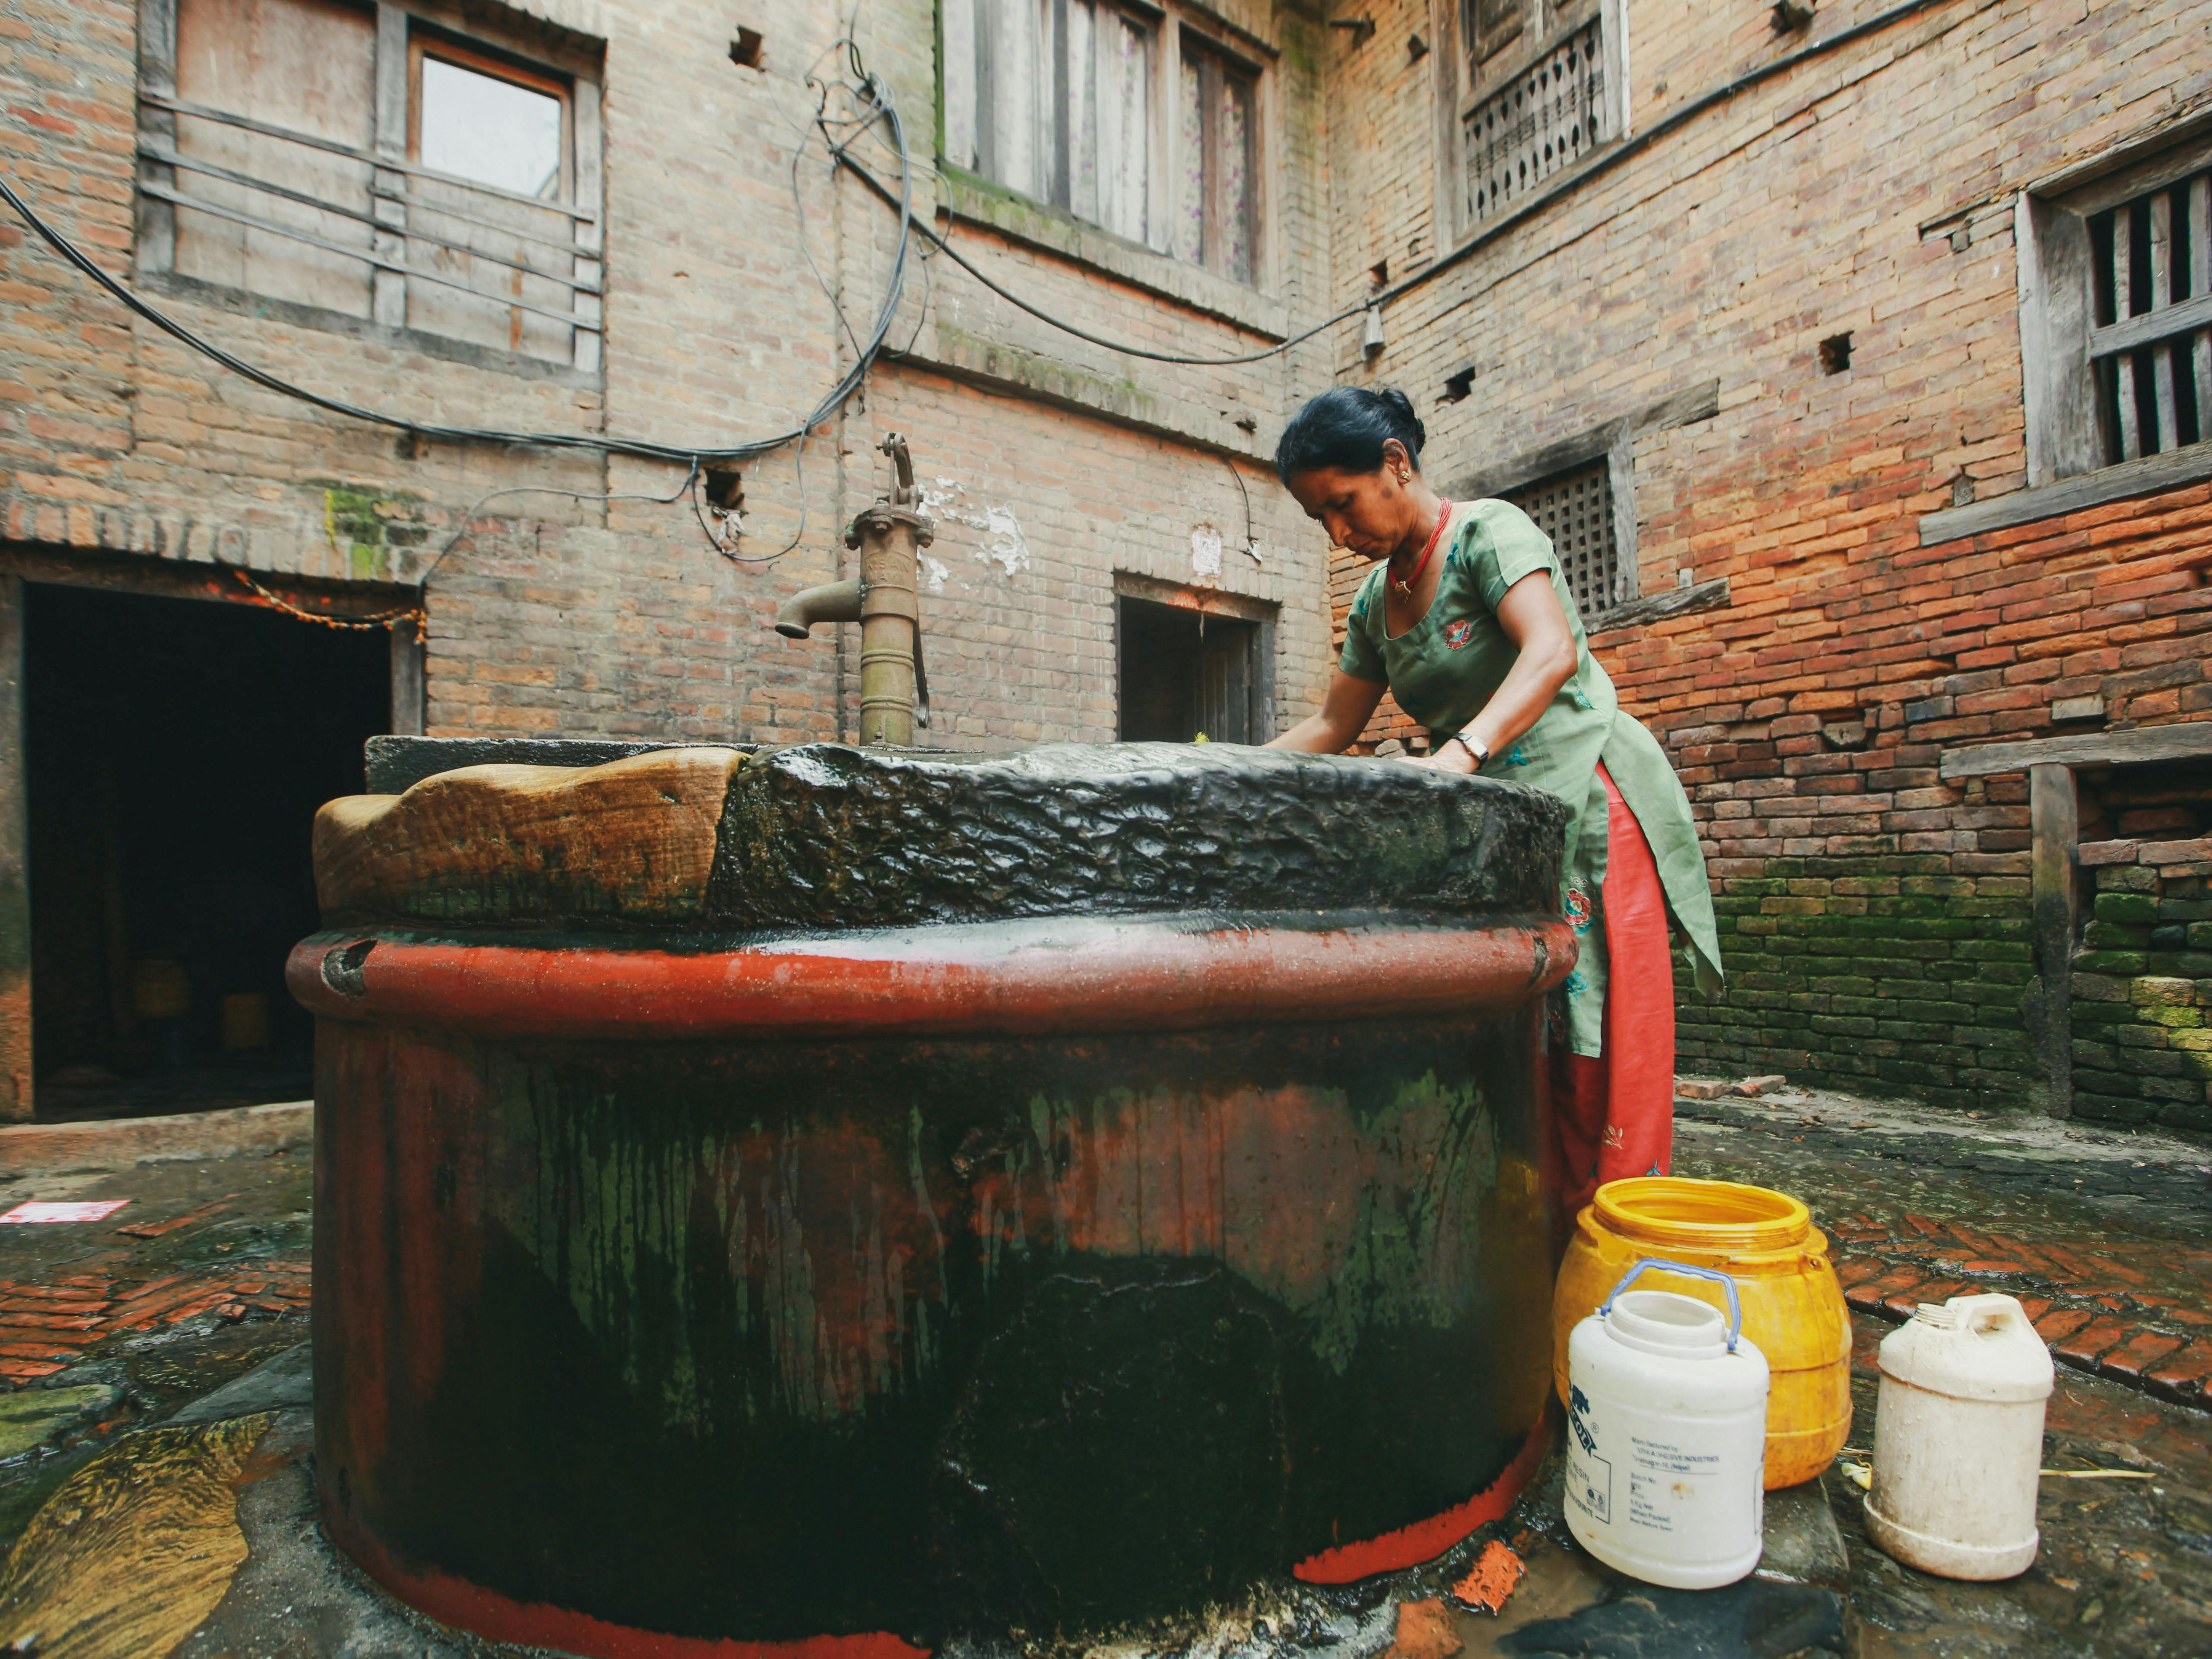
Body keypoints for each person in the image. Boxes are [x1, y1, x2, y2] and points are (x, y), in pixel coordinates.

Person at [1267, 386, 1722, 1219]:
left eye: (1343, 504)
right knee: (1524, 1025)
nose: (1338, 535)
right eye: (1318, 521)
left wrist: (1459, 755)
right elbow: (1335, 722)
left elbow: (1550, 651)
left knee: (1594, 1032)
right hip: (1502, 825)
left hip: (1585, 799)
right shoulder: (1377, 600)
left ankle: (1612, 1240)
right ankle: (1536, 1236)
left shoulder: (1488, 533)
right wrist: (1223, 769)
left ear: (1396, 464)